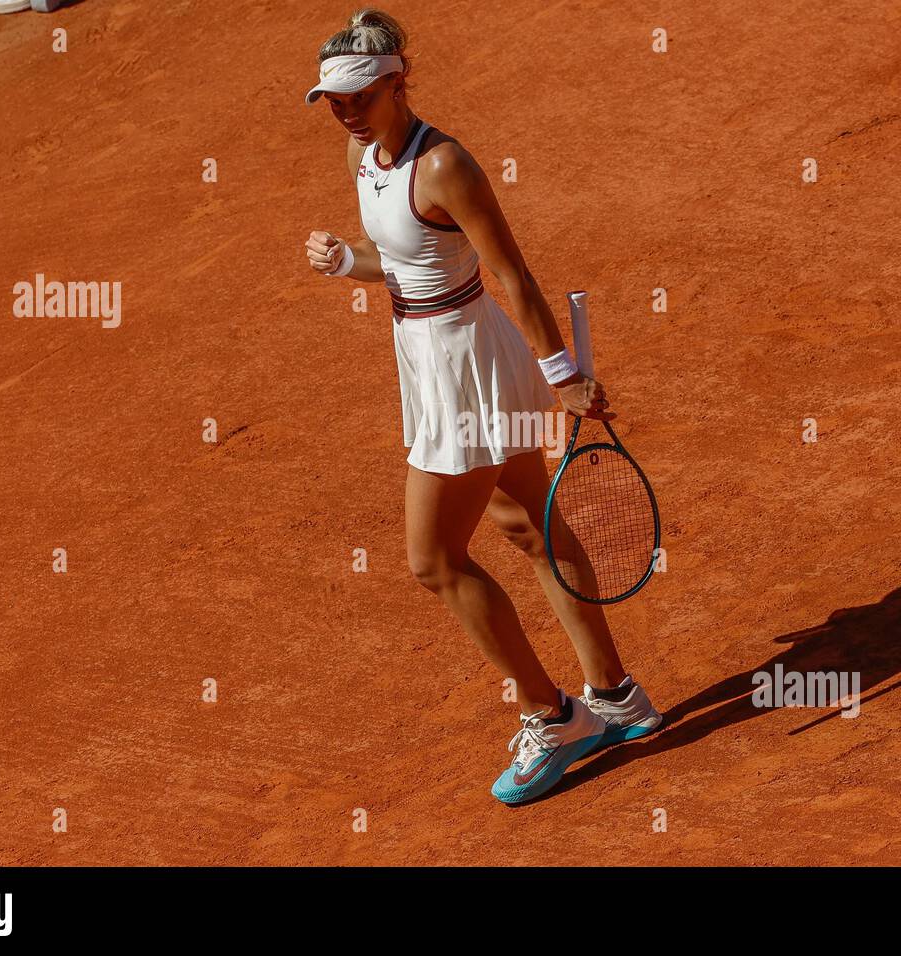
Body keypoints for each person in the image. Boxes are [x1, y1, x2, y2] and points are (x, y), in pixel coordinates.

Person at [305, 8, 661, 805]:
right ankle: (615, 695)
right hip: (437, 358)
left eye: (361, 94)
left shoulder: (445, 167)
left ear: (400, 82)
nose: (347, 109)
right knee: (527, 526)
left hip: (468, 367)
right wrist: (346, 263)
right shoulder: (363, 156)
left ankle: (553, 714)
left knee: (433, 561)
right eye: (333, 98)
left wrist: (564, 374)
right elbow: (407, 260)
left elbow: (512, 275)